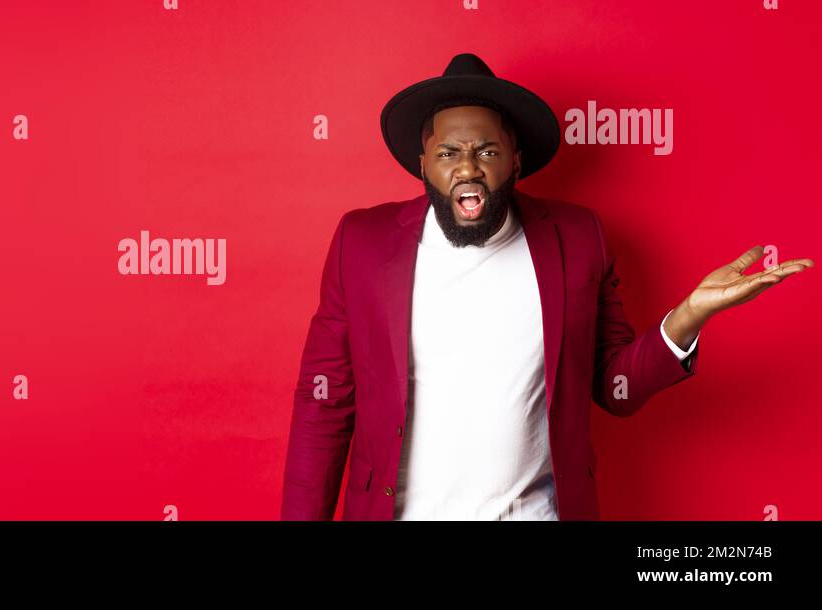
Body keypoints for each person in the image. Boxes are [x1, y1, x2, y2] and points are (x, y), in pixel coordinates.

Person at [280, 52, 813, 520]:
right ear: (423, 164)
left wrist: (690, 315)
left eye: (487, 151)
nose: (468, 167)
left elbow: (615, 387)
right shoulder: (364, 243)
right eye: (448, 153)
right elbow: (323, 404)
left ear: (516, 161)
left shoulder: (578, 239)